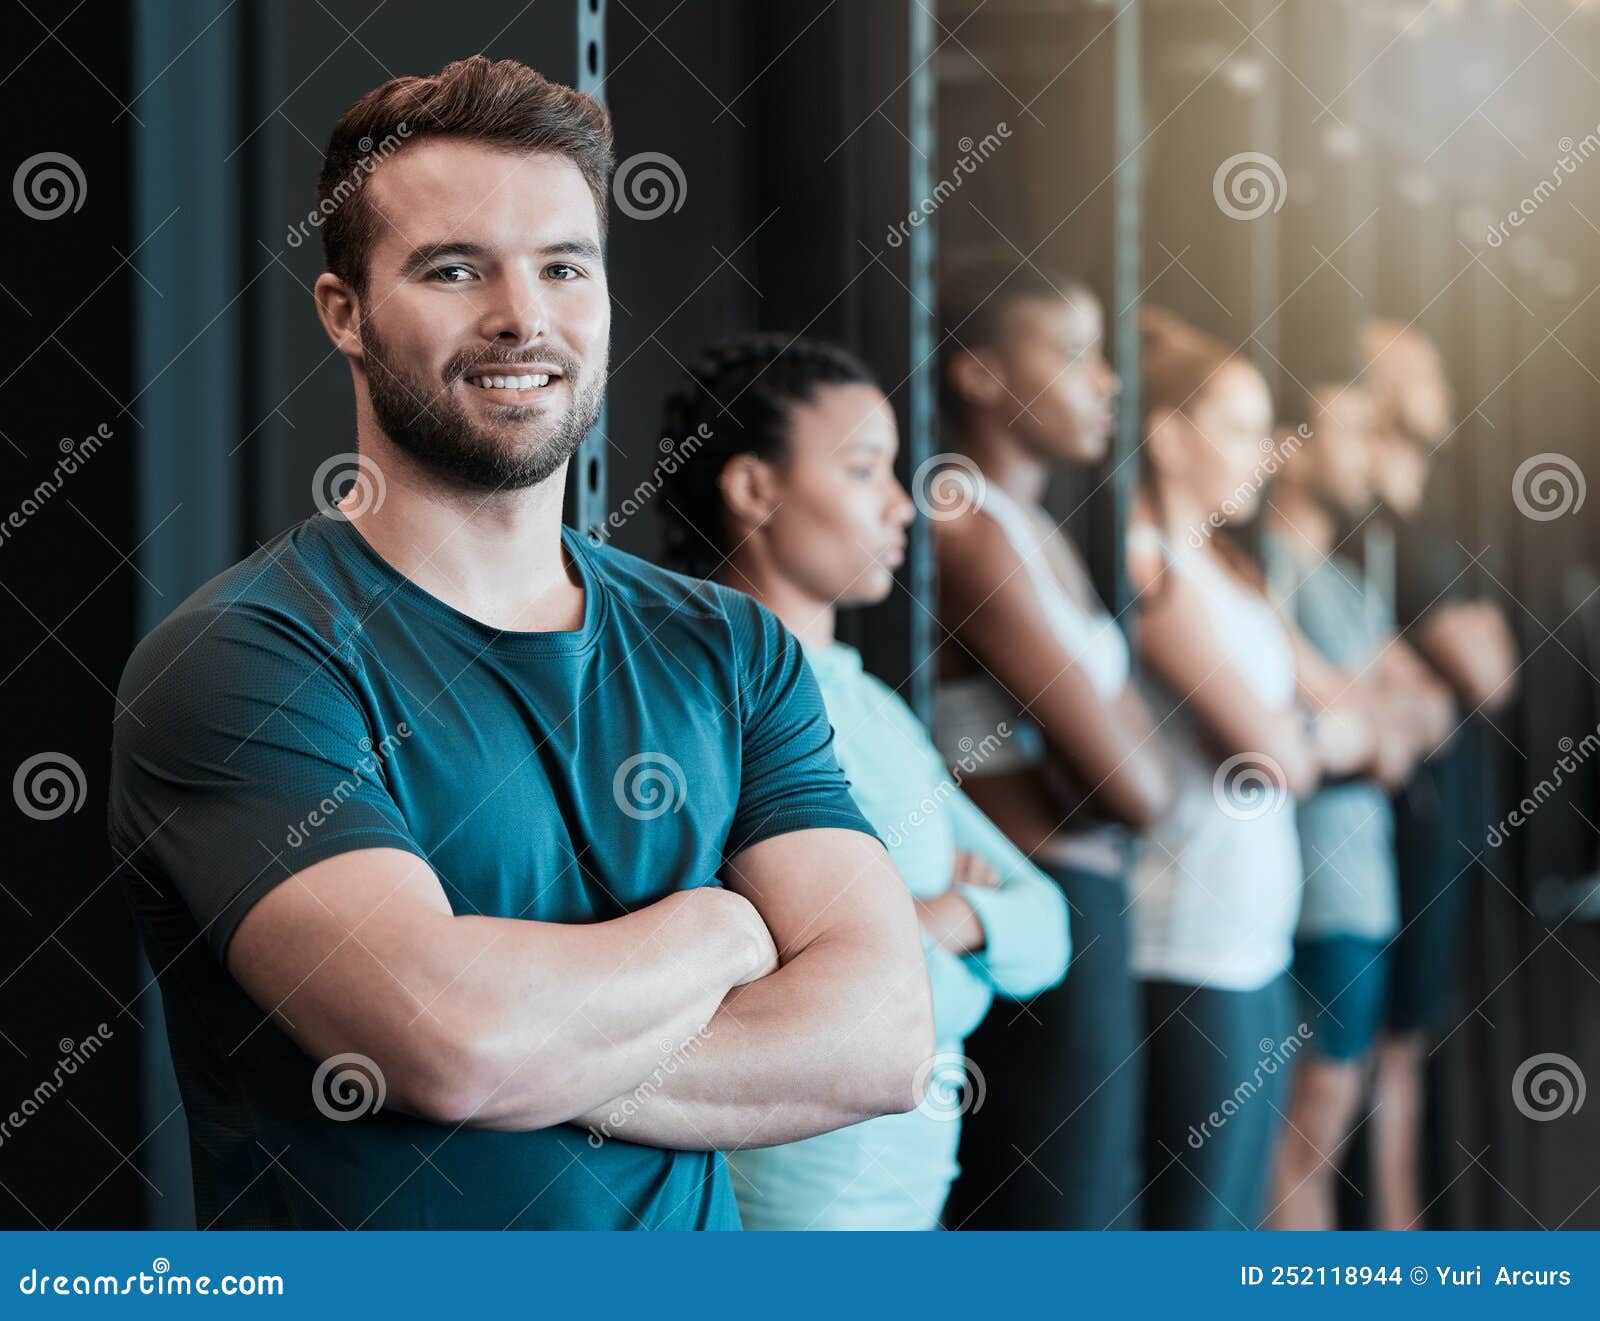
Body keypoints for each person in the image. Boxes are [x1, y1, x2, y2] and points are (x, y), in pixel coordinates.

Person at [106, 57, 934, 1231]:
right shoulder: (248, 661)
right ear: (343, 311)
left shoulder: (728, 647)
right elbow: (452, 1046)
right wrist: (723, 928)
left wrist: (537, 1053)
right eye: (455, 269)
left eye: (563, 267)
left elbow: (883, 1039)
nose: (522, 317)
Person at [654, 332, 1070, 1230]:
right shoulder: (710, 695)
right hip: (793, 1197)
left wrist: (938, 922)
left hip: (909, 1191)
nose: (901, 507)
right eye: (863, 470)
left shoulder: (870, 702)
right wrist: (937, 959)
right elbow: (761, 982)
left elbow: (1046, 922)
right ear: (755, 487)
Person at [930, 257, 1173, 1230]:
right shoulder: (965, 521)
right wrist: (1104, 775)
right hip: (1040, 899)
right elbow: (1137, 787)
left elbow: (1123, 757)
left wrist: (1107, 770)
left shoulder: (1032, 524)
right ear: (981, 375)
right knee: (1054, 1224)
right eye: (1071, 354)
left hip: (1082, 894)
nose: (1106, 383)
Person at [1127, 311, 1376, 1230]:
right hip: (1184, 945)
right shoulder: (1146, 563)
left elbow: (1355, 717)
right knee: (1194, 1230)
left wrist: (1304, 732)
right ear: (1166, 433)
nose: (1261, 454)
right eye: (1236, 428)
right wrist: (1306, 735)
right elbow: (1274, 751)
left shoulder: (1228, 566)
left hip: (1254, 945)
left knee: (1235, 1217)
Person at [1259, 383, 1454, 1230]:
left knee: (1324, 1145)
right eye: (1349, 432)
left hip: (1359, 894)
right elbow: (1328, 723)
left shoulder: (1341, 581)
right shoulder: (1260, 567)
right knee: (1296, 1150)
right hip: (1311, 898)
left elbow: (1434, 712)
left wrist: (1365, 722)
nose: (1368, 451)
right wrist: (1371, 721)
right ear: (1292, 446)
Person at [1361, 319, 1519, 1229]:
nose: (1441, 380)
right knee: (1363, 1053)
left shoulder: (1434, 517)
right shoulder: (1376, 529)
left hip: (1444, 803)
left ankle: (1402, 1247)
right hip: (1387, 818)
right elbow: (1484, 667)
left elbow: (1489, 672)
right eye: (1417, 366)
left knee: (1402, 1046)